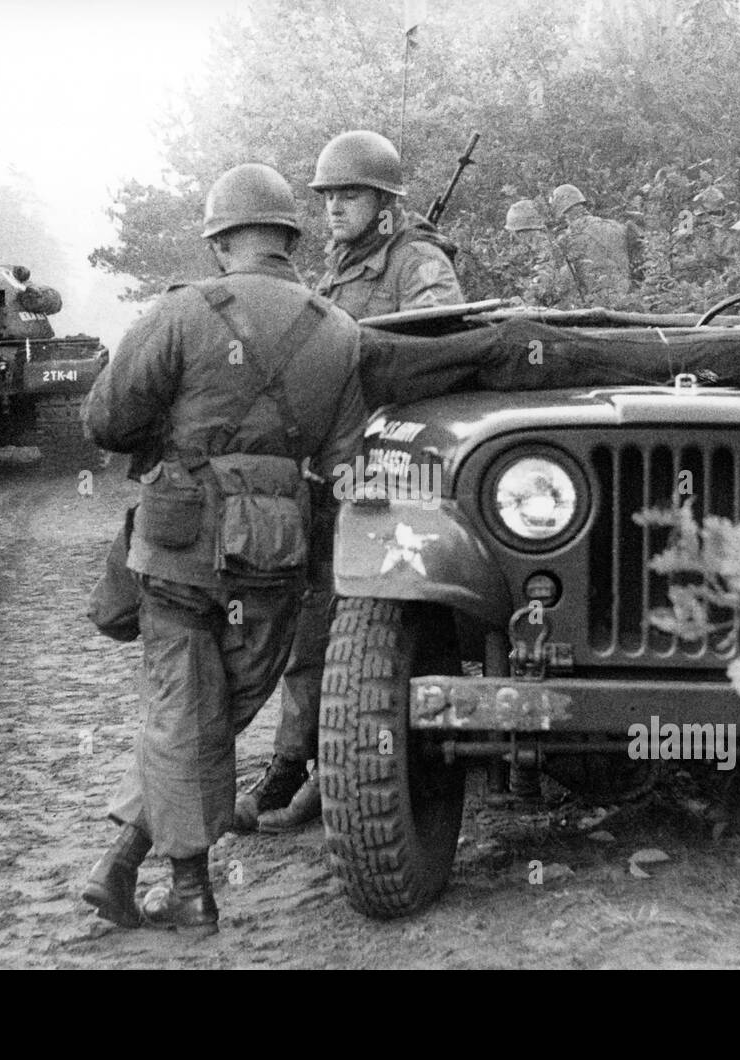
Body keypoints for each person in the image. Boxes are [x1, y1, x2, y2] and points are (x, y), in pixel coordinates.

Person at [80, 163, 367, 935]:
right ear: (289, 238)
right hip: (274, 554)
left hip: (178, 547)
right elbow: (345, 463)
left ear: (219, 243)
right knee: (206, 718)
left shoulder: (183, 312)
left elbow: (105, 422)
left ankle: (188, 892)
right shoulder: (339, 332)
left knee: (184, 716)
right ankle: (128, 870)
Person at [237, 129, 465, 834]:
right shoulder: (339, 266)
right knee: (312, 614)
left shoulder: (418, 260)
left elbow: (441, 346)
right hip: (334, 459)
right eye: (328, 197)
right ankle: (302, 761)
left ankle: (323, 768)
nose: (334, 209)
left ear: (386, 203)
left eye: (351, 195)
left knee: (352, 620)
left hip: (391, 463)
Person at [549, 183, 632, 302]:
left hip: (596, 302)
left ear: (563, 213)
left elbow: (566, 281)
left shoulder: (569, 237)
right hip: (626, 297)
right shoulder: (616, 226)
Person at [504, 198, 575, 307]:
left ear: (521, 232)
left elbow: (544, 283)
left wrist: (525, 302)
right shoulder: (547, 242)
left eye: (515, 234)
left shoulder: (543, 245)